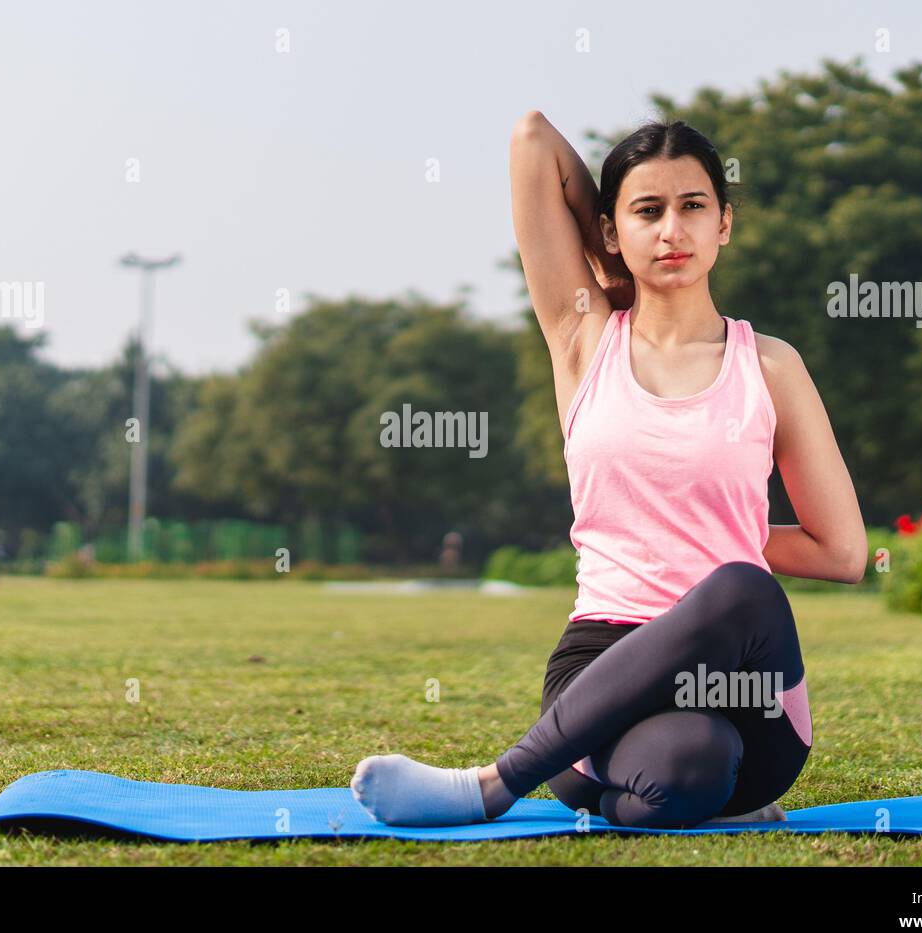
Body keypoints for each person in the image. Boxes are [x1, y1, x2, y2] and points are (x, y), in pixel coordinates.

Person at [350, 111, 867, 828]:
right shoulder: (583, 335)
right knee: (691, 766)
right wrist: (603, 266)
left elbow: (842, 553)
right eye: (646, 212)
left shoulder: (772, 366)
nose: (671, 231)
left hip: (739, 684)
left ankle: (492, 787)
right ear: (610, 231)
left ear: (724, 223)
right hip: (600, 663)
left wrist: (712, 536)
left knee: (742, 589)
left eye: (693, 207)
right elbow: (532, 140)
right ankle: (662, 800)